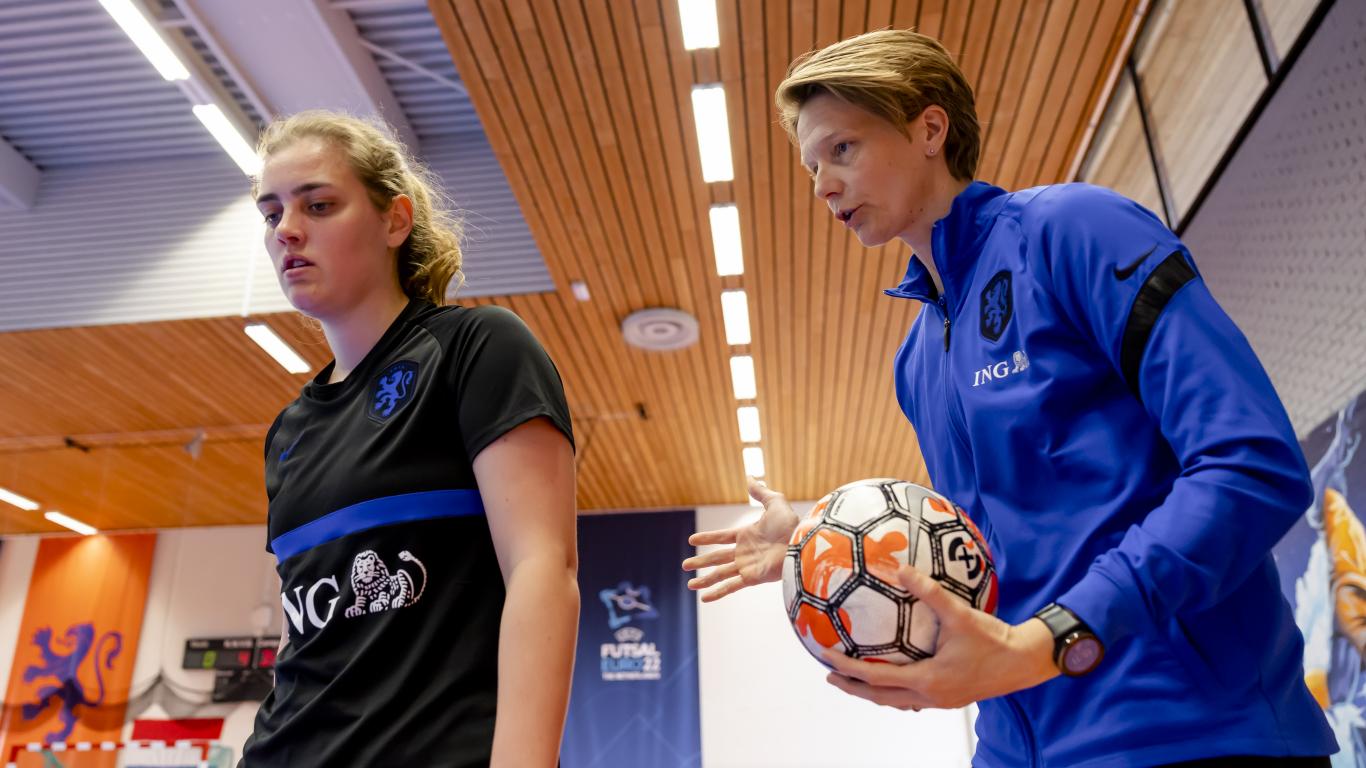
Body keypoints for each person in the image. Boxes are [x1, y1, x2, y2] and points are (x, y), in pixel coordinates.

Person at [683, 29, 1337, 767]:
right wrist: (815, 548)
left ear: (929, 128)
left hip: (1193, 733)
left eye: (841, 150)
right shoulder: (917, 358)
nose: (822, 186)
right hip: (1018, 746)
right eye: (811, 166)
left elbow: (1252, 466)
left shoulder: (1074, 232)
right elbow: (985, 554)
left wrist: (1052, 638)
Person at [238, 111, 578, 767]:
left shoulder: (478, 349)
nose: (287, 230)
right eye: (271, 212)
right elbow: (310, 636)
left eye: (319, 204)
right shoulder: (289, 431)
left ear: (395, 221)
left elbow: (544, 569)